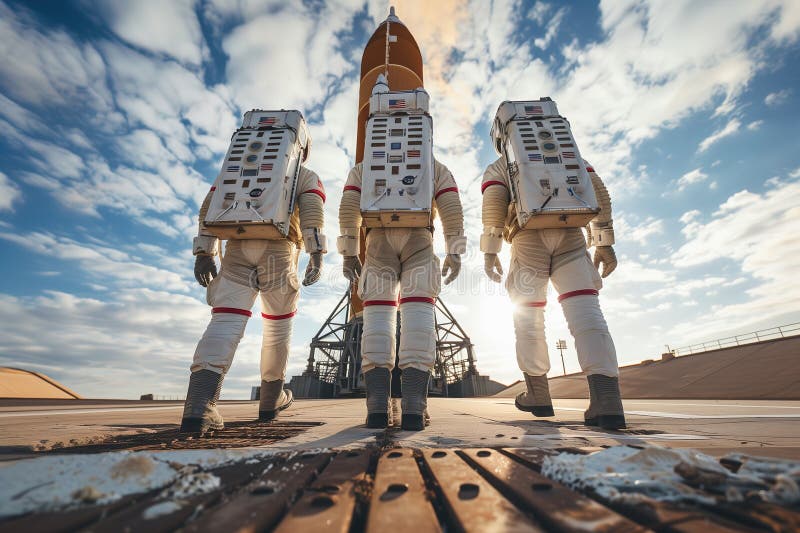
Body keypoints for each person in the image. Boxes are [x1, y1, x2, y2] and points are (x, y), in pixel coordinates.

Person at [481, 157, 626, 430]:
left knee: (528, 318)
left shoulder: (501, 165)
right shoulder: (567, 151)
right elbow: (597, 189)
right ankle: (607, 399)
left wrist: (490, 250)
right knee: (587, 314)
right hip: (571, 233)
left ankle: (538, 394)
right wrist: (604, 242)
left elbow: (493, 202)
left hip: (527, 236)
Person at [181, 164, 327, 433]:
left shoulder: (236, 165)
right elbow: (312, 212)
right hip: (280, 247)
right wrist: (316, 254)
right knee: (277, 329)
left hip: (237, 245)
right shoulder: (305, 174)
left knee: (224, 322)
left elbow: (211, 205)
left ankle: (199, 404)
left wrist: (205, 252)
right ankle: (270, 402)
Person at [337, 159, 465, 431]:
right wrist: (454, 248)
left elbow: (349, 205)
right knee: (418, 316)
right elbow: (450, 202)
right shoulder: (433, 165)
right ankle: (414, 408)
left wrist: (349, 251)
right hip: (419, 235)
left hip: (378, 238)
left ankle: (377, 408)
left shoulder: (364, 165)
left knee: (377, 321)